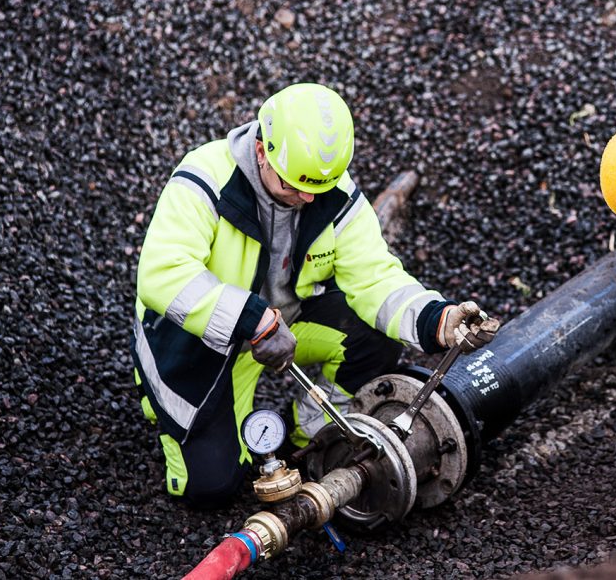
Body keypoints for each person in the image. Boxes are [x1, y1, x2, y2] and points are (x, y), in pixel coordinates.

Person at [132, 83, 497, 508]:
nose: (308, 198)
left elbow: (375, 277)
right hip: (200, 338)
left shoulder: (331, 191)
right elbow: (162, 275)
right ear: (263, 150)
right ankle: (159, 394)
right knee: (211, 489)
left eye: (319, 187)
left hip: (284, 323)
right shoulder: (205, 179)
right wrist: (250, 319)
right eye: (295, 186)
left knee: (372, 337)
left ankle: (310, 434)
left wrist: (438, 318)